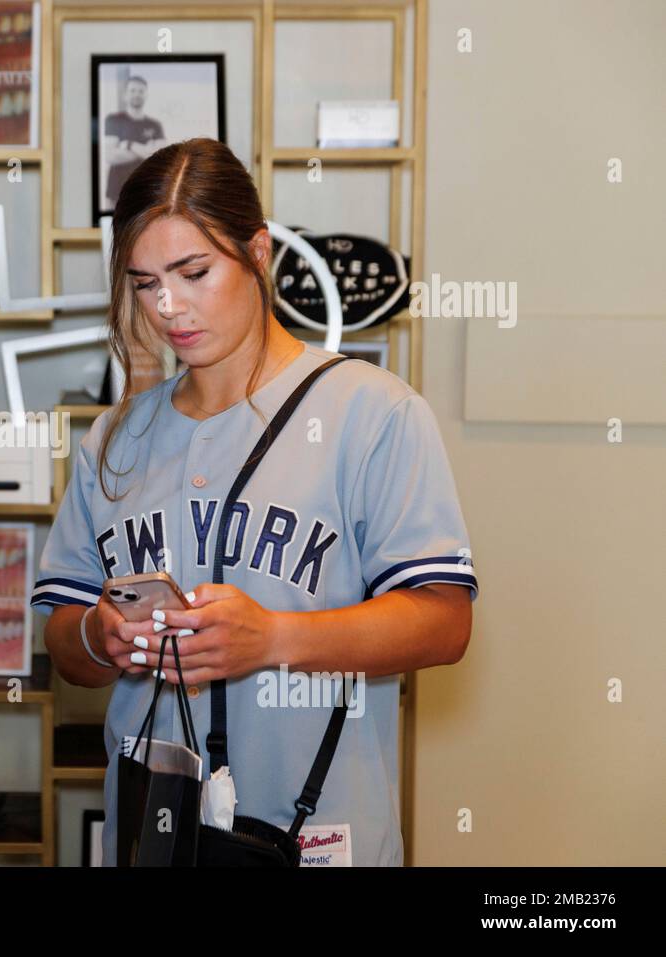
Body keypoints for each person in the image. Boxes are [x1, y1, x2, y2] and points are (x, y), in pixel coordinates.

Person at [31, 138, 476, 866]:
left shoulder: (374, 412)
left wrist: (273, 638)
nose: (169, 306)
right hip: (154, 832)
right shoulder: (115, 435)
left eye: (194, 271)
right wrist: (98, 638)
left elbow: (445, 621)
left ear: (259, 252)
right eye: (144, 283)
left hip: (323, 830)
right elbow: (62, 638)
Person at [102, 75, 167, 210]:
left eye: (140, 91)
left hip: (147, 192)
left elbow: (161, 157)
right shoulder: (114, 120)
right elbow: (111, 156)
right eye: (132, 90)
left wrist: (129, 145)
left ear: (146, 95)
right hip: (116, 192)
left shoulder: (155, 125)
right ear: (125, 94)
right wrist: (146, 151)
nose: (136, 94)